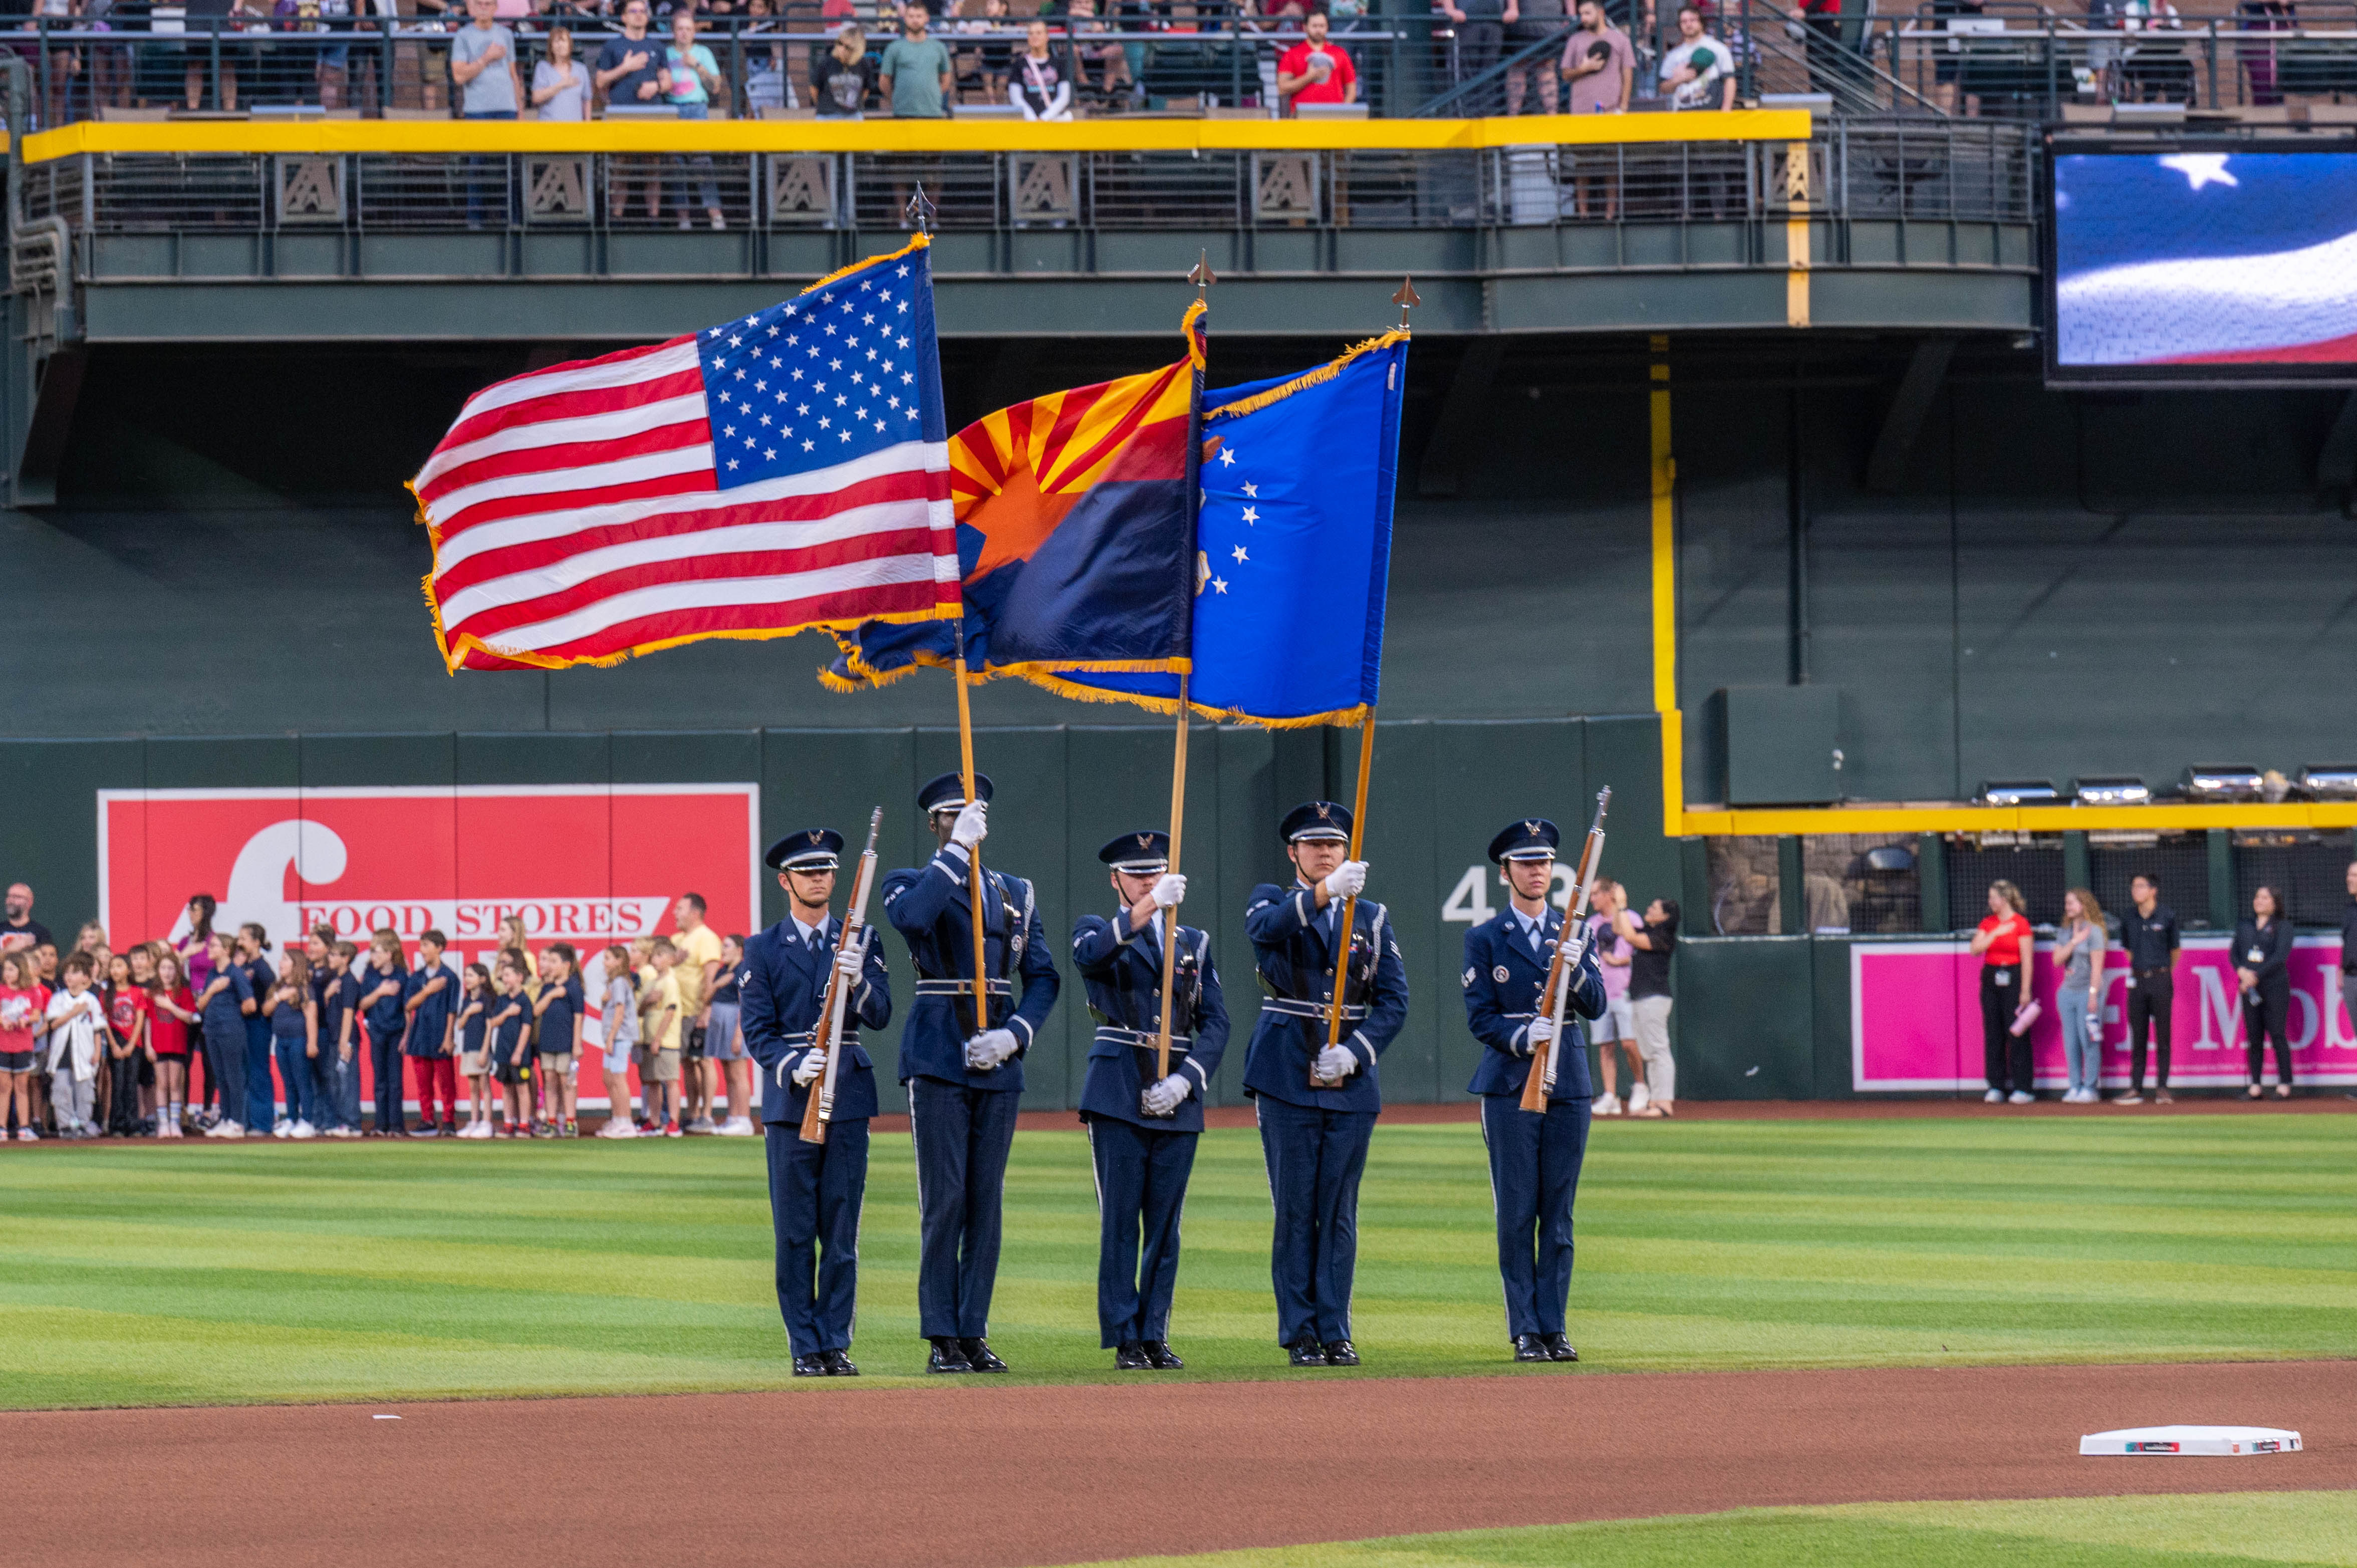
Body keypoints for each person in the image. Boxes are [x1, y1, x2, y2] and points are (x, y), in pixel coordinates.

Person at [882, 770, 1061, 1375]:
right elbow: (913, 919)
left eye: (974, 813)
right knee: (947, 1196)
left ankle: (974, 1329)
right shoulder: (910, 879)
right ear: (935, 822)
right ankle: (941, 1334)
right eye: (952, 815)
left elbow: (1043, 976)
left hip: (998, 1054)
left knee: (987, 1200)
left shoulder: (1016, 891)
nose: (966, 820)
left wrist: (1016, 1034)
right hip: (938, 1048)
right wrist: (956, 851)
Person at [1242, 799, 1409, 1369]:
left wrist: (1356, 1052)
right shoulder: (1270, 898)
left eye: (1334, 846)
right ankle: (1300, 1332)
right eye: (1314, 846)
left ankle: (1336, 1327)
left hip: (1350, 1077)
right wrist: (1323, 893)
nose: (1324, 853)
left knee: (1338, 1208)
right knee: (1295, 1206)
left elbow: (1393, 1000)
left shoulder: (1373, 916)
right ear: (1294, 853)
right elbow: (1266, 930)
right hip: (1286, 1068)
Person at [1071, 830, 1229, 1372]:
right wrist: (1143, 911)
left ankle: (1154, 1332)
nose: (1148, 880)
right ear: (1115, 879)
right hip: (1117, 1087)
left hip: (1178, 1095)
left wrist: (1188, 1079)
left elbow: (1216, 1020)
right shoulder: (1097, 928)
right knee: (1120, 1220)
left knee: (1165, 1223)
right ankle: (1123, 1337)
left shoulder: (1193, 942)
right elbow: (1092, 958)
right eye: (1137, 873)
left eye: (1156, 871)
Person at [742, 828, 893, 1376]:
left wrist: (861, 981)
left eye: (826, 871)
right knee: (794, 1230)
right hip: (791, 1101)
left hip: (849, 1091)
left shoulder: (860, 939)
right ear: (785, 881)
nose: (819, 880)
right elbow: (757, 1031)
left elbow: (880, 1015)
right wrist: (790, 1065)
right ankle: (805, 1345)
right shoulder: (762, 949)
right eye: (807, 872)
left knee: (842, 1228)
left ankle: (835, 1340)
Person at [1462, 818, 1605, 1364]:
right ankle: (1524, 1327)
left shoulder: (1575, 930)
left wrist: (1579, 972)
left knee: (1560, 1214)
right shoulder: (1483, 938)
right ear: (1506, 873)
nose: (1537, 871)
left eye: (1543, 862)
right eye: (1525, 863)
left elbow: (1596, 1007)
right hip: (1509, 1082)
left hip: (1567, 1078)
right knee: (1518, 1212)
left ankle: (1556, 1325)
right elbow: (1480, 1019)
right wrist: (1522, 1036)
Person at [2115, 873, 2179, 1106]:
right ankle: (2136, 1087)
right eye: (2133, 886)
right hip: (2138, 981)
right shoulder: (2129, 917)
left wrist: (2162, 971)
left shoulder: (2167, 915)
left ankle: (2162, 1087)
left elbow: (2175, 951)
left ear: (2153, 890)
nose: (2136, 890)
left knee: (2163, 1036)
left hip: (2161, 979)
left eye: (2141, 886)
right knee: (2138, 1036)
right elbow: (2128, 950)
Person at [659, 11, 727, 230]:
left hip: (697, 109)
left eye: (688, 29)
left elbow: (715, 87)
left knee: (702, 164)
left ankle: (716, 217)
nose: (684, 33)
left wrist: (696, 65)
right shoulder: (665, 53)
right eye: (680, 29)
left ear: (694, 32)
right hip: (672, 110)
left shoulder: (703, 52)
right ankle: (684, 219)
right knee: (675, 167)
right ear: (673, 32)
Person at [1970, 880, 2034, 1105]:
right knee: (1993, 1032)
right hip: (1991, 977)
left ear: (2004, 899)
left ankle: (2023, 1087)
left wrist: (2025, 989)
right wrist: (1995, 933)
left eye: (1993, 897)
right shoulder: (1988, 924)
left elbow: (2027, 959)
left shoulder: (2021, 924)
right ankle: (1996, 1085)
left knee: (2016, 1031)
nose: (1990, 902)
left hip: (2014, 976)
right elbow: (1975, 949)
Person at [1615, 895, 1679, 1116]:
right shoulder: (1651, 932)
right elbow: (1621, 930)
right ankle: (1655, 1101)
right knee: (1649, 1052)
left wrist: (1623, 905)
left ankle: (1664, 1103)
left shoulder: (1664, 936)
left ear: (1665, 916)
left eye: (1655, 908)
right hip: (1642, 998)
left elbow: (1630, 937)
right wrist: (1616, 907)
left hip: (1655, 998)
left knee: (1659, 1050)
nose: (1650, 909)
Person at [1585, 878, 1645, 1116]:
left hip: (1627, 992)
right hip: (1602, 994)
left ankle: (1641, 1086)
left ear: (1609, 894)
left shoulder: (1632, 918)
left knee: (1630, 1043)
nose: (1592, 899)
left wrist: (1621, 961)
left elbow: (1643, 953)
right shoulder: (1591, 924)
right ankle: (1610, 1096)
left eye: (1595, 894)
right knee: (1605, 1047)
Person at [670, 893, 726, 1132]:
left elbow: (711, 976)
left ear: (695, 913)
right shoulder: (678, 939)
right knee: (688, 1063)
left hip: (697, 1010)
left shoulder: (706, 938)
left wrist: (707, 1008)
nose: (675, 913)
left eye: (680, 908)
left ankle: (707, 1114)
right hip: (679, 1012)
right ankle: (692, 1113)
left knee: (704, 1060)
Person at [2235, 884, 2293, 1101]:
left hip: (2274, 987)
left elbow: (2279, 957)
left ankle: (2285, 1083)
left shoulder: (2283, 927)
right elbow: (2235, 953)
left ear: (2275, 903)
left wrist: (2255, 975)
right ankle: (2255, 1084)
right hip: (2250, 989)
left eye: (2265, 898)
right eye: (2257, 897)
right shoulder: (2245, 926)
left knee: (2278, 1034)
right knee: (2254, 1037)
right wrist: (2242, 972)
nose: (2259, 901)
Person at [402, 929, 460, 1138]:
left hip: (439, 1035)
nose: (422, 950)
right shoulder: (417, 977)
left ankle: (449, 1121)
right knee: (423, 1082)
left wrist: (448, 1037)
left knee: (446, 1083)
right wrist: (427, 991)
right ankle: (428, 1120)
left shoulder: (449, 977)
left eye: (426, 946)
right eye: (421, 945)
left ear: (439, 948)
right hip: (420, 1035)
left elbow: (452, 1010)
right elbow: (409, 1005)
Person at [196, 931, 253, 1138]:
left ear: (227, 950)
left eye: (214, 945)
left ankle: (237, 1122)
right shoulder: (213, 975)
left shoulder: (235, 974)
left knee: (234, 1076)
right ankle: (226, 1119)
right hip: (212, 1030)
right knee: (221, 1077)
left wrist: (230, 1016)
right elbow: (201, 1005)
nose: (209, 949)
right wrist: (212, 990)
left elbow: (250, 1004)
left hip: (230, 1031)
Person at [2053, 888, 2107, 1105]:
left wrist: (2093, 995)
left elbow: (2097, 968)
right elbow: (2057, 960)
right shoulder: (2065, 932)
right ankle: (2074, 1086)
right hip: (2067, 992)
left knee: (2089, 1040)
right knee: (2071, 1041)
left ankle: (2090, 1087)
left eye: (2072, 903)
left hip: (2087, 991)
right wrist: (2074, 941)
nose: (2069, 907)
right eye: (2067, 903)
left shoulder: (2095, 932)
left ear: (2083, 905)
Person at [46, 955, 105, 1141]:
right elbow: (53, 1024)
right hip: (63, 1052)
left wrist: (97, 1051)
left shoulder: (91, 1000)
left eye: (75, 973)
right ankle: (65, 1125)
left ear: (86, 978)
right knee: (62, 1088)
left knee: (85, 1090)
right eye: (67, 973)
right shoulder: (59, 999)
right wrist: (73, 1013)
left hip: (85, 1052)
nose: (69, 977)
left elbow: (98, 1028)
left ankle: (83, 1124)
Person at [356, 929, 409, 1136]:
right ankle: (381, 1124)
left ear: (389, 954)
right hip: (377, 1032)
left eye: (376, 952)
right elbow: (362, 1004)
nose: (372, 957)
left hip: (396, 1032)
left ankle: (396, 1124)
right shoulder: (370, 978)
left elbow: (407, 1009)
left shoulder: (402, 976)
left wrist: (406, 1035)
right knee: (380, 1080)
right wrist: (380, 992)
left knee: (395, 1080)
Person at [262, 953, 318, 1139]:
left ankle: (308, 1120)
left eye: (286, 959)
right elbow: (266, 1010)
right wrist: (279, 997)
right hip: (282, 1041)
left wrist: (312, 1042)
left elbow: (311, 1016)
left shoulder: (305, 989)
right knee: (289, 1083)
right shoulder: (278, 988)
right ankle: (292, 1118)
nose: (281, 962)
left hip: (299, 1039)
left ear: (297, 965)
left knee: (302, 1082)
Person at [533, 942, 585, 1136]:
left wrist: (577, 1044)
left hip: (566, 1042)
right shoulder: (548, 988)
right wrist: (552, 995)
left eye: (554, 961)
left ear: (566, 965)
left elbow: (579, 1016)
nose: (550, 965)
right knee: (550, 1081)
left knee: (568, 1081)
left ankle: (571, 1121)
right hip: (547, 1041)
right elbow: (536, 1011)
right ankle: (552, 1121)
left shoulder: (574, 987)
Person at [706, 933, 755, 1135]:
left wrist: (738, 1035)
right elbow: (707, 998)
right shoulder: (722, 972)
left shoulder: (742, 970)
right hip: (720, 1024)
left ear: (739, 949)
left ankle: (744, 1120)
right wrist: (718, 984)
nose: (723, 951)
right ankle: (733, 1118)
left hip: (734, 1024)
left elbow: (745, 1004)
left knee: (739, 1074)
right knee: (729, 1075)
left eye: (727, 946)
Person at [594, 943, 642, 1138]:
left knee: (619, 1079)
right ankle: (617, 1118)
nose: (604, 963)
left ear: (619, 961)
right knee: (609, 1078)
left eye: (608, 958)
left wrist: (612, 1037)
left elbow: (620, 1011)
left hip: (620, 1037)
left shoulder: (620, 982)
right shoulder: (614, 984)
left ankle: (626, 1121)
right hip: (614, 1037)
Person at [103, 952, 153, 1138]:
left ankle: (133, 1124)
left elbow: (140, 1019)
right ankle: (117, 1124)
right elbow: (105, 1022)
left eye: (119, 966)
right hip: (115, 1041)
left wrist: (132, 1043)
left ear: (128, 970)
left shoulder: (137, 992)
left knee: (132, 1083)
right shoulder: (106, 994)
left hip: (134, 1043)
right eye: (112, 967)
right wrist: (114, 1045)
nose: (115, 970)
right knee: (118, 1083)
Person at [317, 941, 362, 1139]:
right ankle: (342, 1121)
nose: (330, 958)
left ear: (346, 959)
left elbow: (348, 1013)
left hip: (345, 1038)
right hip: (335, 1037)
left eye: (335, 955)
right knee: (335, 1081)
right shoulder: (335, 980)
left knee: (347, 1081)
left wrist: (345, 1041)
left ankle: (352, 1124)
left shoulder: (349, 982)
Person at [236, 925, 278, 1135]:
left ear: (257, 942)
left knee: (258, 1071)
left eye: (244, 938)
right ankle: (247, 1120)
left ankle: (262, 1123)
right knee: (246, 1073)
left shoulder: (262, 967)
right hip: (245, 1024)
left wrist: (266, 1013)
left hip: (258, 1024)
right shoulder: (244, 965)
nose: (239, 942)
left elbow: (273, 990)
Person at [640, 938, 684, 1134]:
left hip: (666, 1041)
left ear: (671, 960)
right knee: (652, 1082)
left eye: (660, 955)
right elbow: (640, 1011)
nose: (655, 959)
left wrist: (659, 1039)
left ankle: (674, 1121)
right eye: (654, 955)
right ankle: (655, 1120)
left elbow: (670, 1011)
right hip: (648, 1039)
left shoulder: (670, 982)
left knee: (671, 1080)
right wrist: (647, 1001)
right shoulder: (650, 983)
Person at [1275, 7, 1356, 113]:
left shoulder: (1340, 53)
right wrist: (1310, 77)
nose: (1318, 30)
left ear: (1327, 27)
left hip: (1335, 117)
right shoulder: (1292, 54)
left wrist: (1343, 112)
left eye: (1322, 26)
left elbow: (1351, 88)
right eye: (1314, 26)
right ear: (1305, 28)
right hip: (1302, 118)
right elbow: (1282, 88)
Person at [879, 0, 952, 115]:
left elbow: (947, 79)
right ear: (905, 18)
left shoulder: (939, 48)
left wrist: (934, 97)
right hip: (903, 113)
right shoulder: (894, 48)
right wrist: (895, 100)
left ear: (927, 18)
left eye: (919, 16)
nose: (915, 20)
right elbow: (884, 81)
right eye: (911, 16)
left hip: (932, 113)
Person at [1438, 0, 1508, 116]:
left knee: (1489, 74)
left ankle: (1486, 117)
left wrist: (1512, 8)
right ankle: (1464, 116)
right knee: (1464, 73)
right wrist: (1450, 10)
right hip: (1465, 22)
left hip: (1494, 22)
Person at [488, 954, 532, 1137]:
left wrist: (519, 1052)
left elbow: (526, 1027)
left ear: (519, 977)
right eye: (503, 976)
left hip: (518, 1053)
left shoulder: (524, 1001)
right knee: (507, 1087)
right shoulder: (503, 1000)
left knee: (522, 1087)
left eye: (508, 975)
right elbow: (494, 1022)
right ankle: (508, 1123)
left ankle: (524, 1124)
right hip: (503, 1051)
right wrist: (507, 1013)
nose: (505, 979)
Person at [1660, 4, 1733, 109]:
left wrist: (1726, 110)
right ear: (1679, 25)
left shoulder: (1718, 48)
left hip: (1712, 115)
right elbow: (1663, 88)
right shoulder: (1673, 55)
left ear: (1702, 23)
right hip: (1683, 116)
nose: (1688, 24)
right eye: (1684, 21)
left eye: (1693, 20)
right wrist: (1678, 80)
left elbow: (1729, 79)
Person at [1, 950, 41, 1140]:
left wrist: (24, 1020)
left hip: (23, 1045)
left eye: (11, 969)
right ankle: (2, 1128)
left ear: (21, 970)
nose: (7, 973)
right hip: (3, 1044)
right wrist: (3, 1021)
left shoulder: (33, 991)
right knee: (4, 1087)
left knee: (22, 1087)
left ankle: (24, 1127)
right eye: (5, 969)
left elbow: (36, 1015)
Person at [452, 964, 495, 1137]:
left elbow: (490, 1026)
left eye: (471, 975)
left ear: (482, 979)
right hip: (468, 1048)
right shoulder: (467, 1000)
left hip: (481, 1047)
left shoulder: (487, 999)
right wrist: (469, 1011)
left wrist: (485, 1050)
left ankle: (487, 1122)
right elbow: (460, 1025)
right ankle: (474, 1121)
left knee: (485, 1085)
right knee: (473, 1087)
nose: (467, 979)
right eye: (465, 975)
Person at [1006, 17, 1070, 118]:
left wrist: (1045, 118)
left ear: (1047, 37)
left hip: (1054, 120)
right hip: (1029, 121)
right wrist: (1032, 119)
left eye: (1039, 33)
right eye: (1031, 33)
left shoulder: (1059, 64)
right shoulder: (1019, 65)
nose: (1034, 36)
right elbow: (1016, 98)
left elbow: (1064, 97)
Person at [1504, 0, 1561, 113]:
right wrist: (1513, 8)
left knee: (1545, 69)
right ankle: (1513, 115)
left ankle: (1553, 115)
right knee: (1518, 68)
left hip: (1549, 22)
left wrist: (1570, 14)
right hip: (1523, 22)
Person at [812, 22, 875, 114]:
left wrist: (856, 106)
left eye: (847, 47)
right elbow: (814, 89)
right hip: (828, 115)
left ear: (857, 49)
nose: (841, 49)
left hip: (853, 114)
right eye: (840, 44)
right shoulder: (826, 63)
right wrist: (824, 108)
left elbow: (866, 89)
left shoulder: (863, 65)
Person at [532, 22, 589, 118]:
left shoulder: (581, 69)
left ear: (570, 46)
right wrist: (562, 85)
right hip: (549, 128)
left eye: (564, 41)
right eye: (557, 41)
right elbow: (536, 97)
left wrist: (588, 126)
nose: (561, 45)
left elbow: (587, 100)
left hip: (574, 129)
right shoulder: (543, 67)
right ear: (551, 47)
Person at [1, 883, 52, 955]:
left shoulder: (41, 933)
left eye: (17, 897)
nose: (11, 901)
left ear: (30, 902)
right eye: (8, 896)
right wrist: (9, 950)